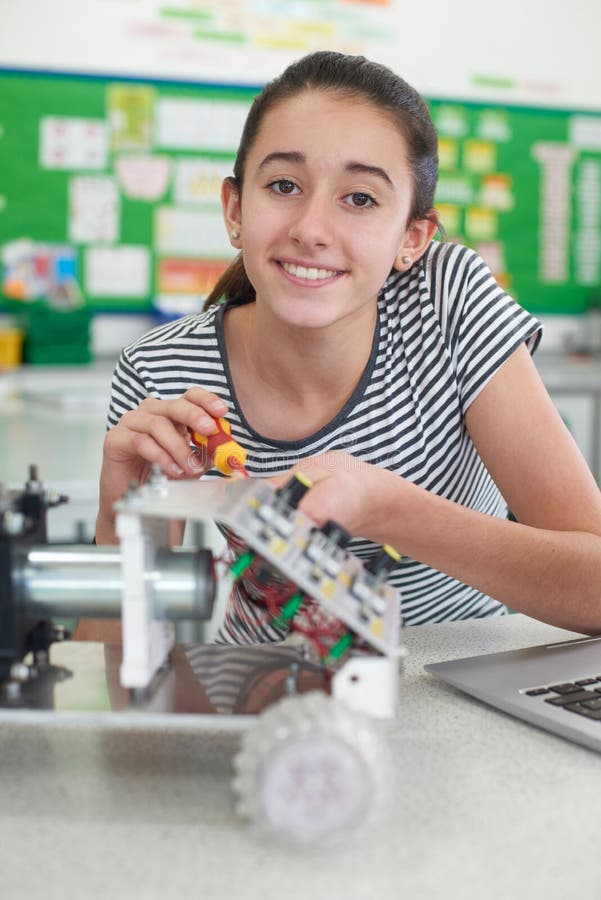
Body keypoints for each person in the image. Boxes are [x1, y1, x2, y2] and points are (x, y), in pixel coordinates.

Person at [87, 50, 601, 645]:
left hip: (461, 673)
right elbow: (111, 667)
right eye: (284, 185)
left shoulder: (447, 300)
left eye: (360, 199)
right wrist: (121, 515)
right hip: (263, 682)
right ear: (235, 209)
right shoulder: (160, 368)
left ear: (412, 238)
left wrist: (389, 509)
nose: (311, 229)